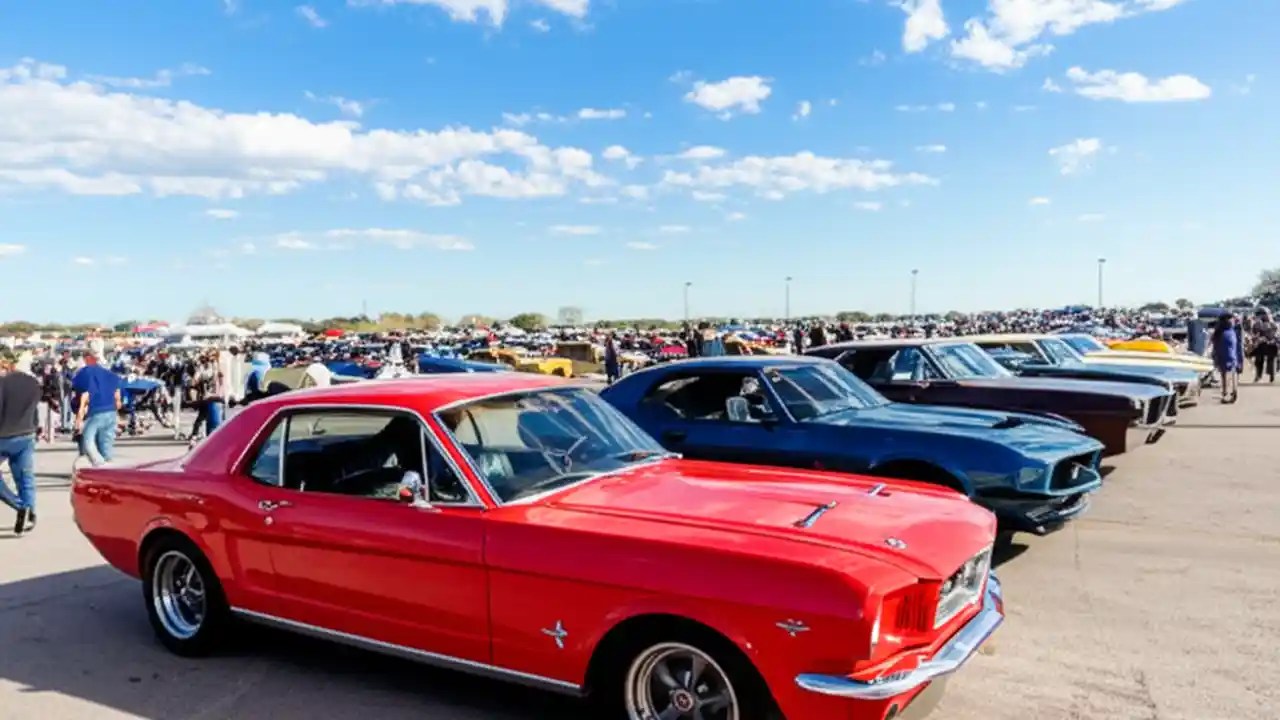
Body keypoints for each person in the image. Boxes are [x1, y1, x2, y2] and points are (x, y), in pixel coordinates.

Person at [0, 352, 41, 534]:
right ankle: (30, 514)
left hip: (3, 434)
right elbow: (34, 409)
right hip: (26, 433)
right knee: (25, 477)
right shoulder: (34, 384)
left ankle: (18, 505)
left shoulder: (3, 383)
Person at [73, 348, 123, 466]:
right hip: (110, 411)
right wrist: (117, 411)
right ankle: (108, 466)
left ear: (86, 359)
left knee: (87, 440)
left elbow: (84, 396)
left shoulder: (84, 373)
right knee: (106, 442)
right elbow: (117, 395)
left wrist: (79, 418)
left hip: (96, 410)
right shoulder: (109, 373)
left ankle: (99, 463)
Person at [1211, 314, 1240, 403]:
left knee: (1227, 375)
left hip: (1229, 357)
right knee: (1227, 375)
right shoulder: (1225, 333)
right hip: (1226, 357)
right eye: (1231, 320)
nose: (1233, 321)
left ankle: (1229, 393)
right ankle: (1228, 393)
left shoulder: (1229, 331)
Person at [1251, 307, 1278, 383]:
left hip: (1271, 343)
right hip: (1260, 343)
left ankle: (1271, 375)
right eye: (1261, 314)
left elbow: (1276, 333)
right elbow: (1254, 334)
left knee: (1271, 359)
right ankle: (1258, 375)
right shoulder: (1256, 324)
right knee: (1259, 360)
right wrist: (1257, 339)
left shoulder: (1273, 324)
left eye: (1264, 314)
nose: (1263, 316)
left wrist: (1272, 339)